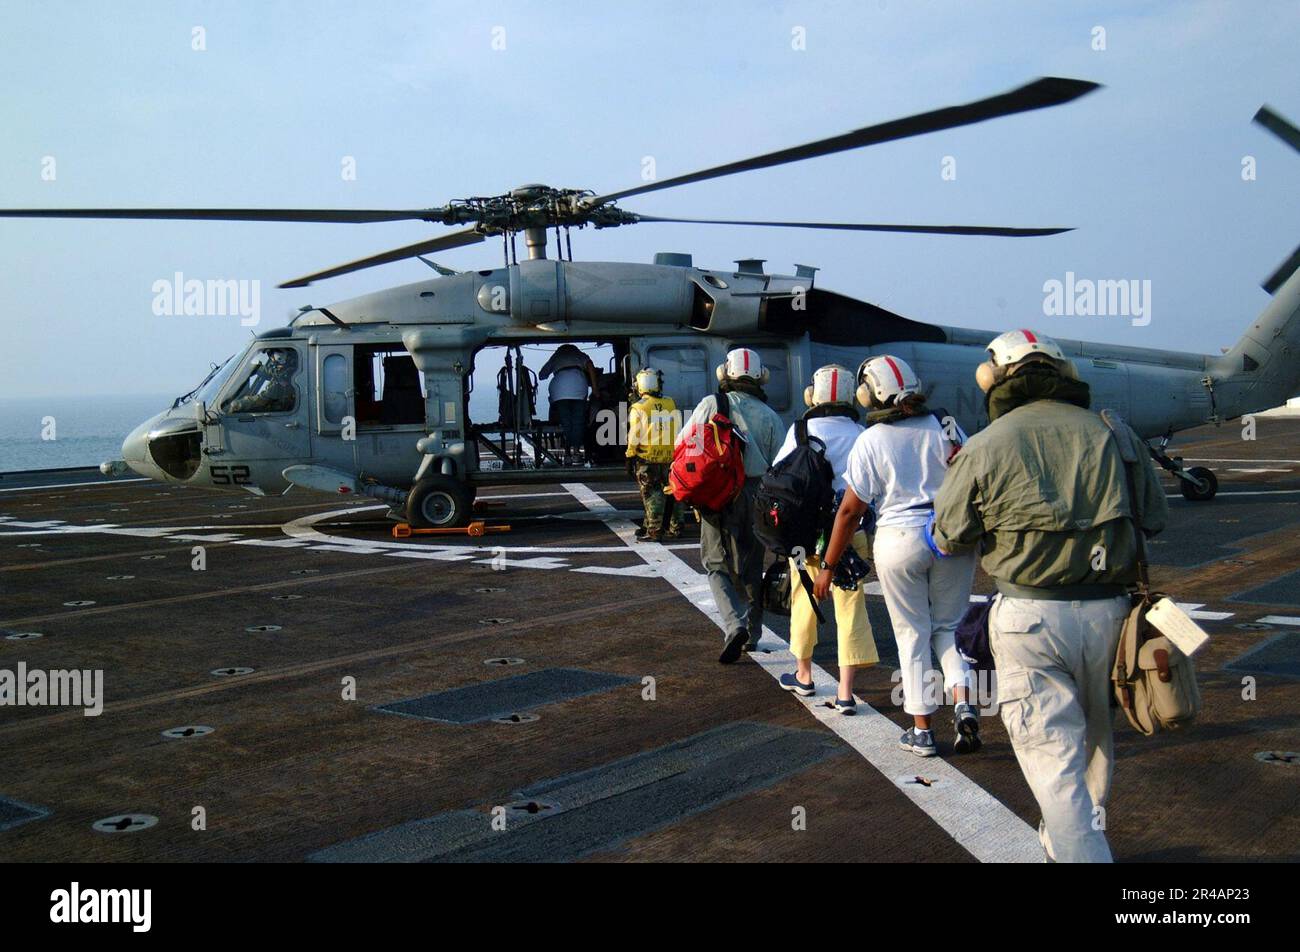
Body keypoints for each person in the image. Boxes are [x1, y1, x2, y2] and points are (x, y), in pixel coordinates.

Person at [931, 329, 1168, 863]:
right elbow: (1153, 520)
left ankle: (1078, 848)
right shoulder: (1116, 432)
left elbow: (949, 537)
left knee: (1050, 758)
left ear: (996, 380)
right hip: (1110, 616)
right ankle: (1066, 842)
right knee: (1094, 746)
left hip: (1028, 620)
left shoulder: (985, 444)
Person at [814, 355, 978, 757]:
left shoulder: (870, 440)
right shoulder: (945, 423)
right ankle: (963, 701)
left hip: (898, 539)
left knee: (912, 634)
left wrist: (827, 566)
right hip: (950, 535)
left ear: (871, 393)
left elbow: (851, 510)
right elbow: (976, 468)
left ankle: (922, 730)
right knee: (950, 627)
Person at [773, 365, 878, 713]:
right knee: (851, 609)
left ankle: (804, 675)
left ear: (812, 396)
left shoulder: (800, 430)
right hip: (851, 532)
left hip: (807, 534)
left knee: (803, 600)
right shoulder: (862, 433)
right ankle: (846, 692)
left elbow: (779, 474)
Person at [678, 348, 785, 664]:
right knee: (751, 564)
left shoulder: (712, 405)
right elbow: (780, 465)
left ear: (725, 374)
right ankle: (752, 633)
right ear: (759, 377)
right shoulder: (769, 415)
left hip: (717, 493)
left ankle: (733, 624)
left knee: (715, 563)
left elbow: (683, 443)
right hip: (756, 493)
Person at [625, 366, 683, 542]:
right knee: (673, 492)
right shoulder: (670, 403)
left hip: (648, 458)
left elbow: (634, 435)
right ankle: (676, 527)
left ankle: (654, 530)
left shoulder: (638, 408)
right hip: (669, 457)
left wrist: (629, 455)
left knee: (651, 495)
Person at [540, 344, 598, 465]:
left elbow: (542, 375)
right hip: (578, 385)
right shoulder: (580, 355)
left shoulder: (556, 357)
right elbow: (591, 366)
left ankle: (567, 454)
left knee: (565, 422)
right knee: (578, 422)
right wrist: (595, 388)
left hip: (559, 389)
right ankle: (576, 453)